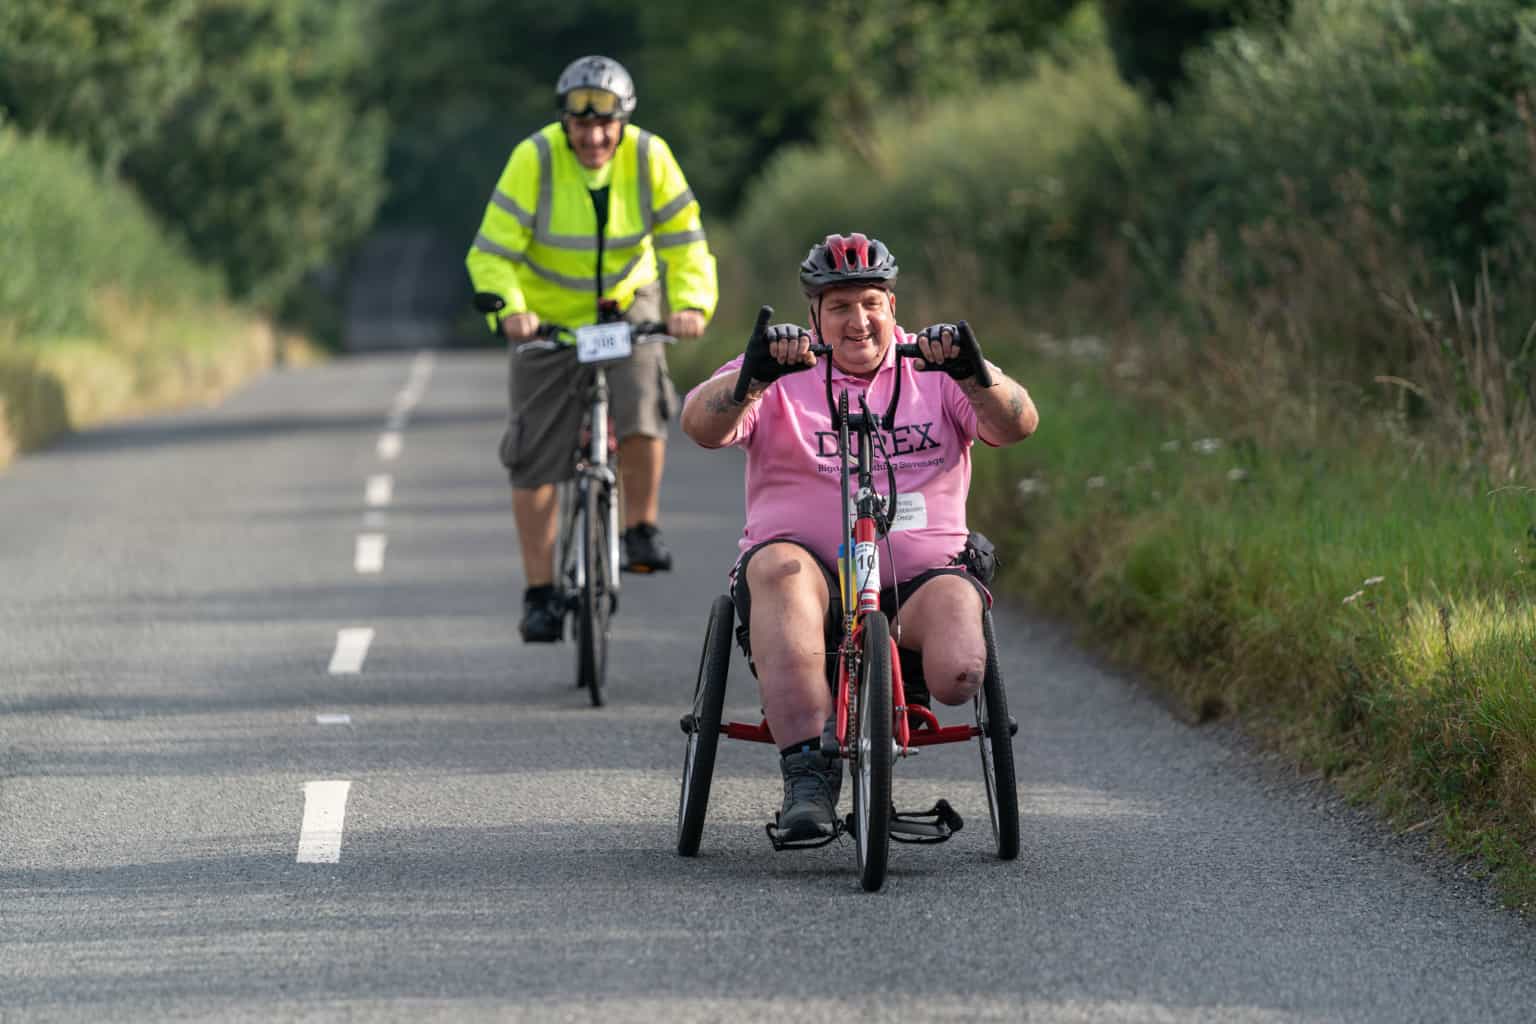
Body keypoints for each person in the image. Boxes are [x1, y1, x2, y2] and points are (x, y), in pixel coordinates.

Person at [680, 233, 1039, 842]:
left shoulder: (935, 363)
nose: (858, 320)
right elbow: (700, 425)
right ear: (814, 314)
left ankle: (905, 684)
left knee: (961, 672)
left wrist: (975, 376)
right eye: (839, 306)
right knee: (782, 575)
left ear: (892, 306)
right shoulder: (782, 366)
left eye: (870, 302)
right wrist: (752, 380)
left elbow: (1018, 422)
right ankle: (807, 774)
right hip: (804, 573)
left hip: (920, 578)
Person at [467, 55, 718, 642]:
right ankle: (541, 594)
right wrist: (509, 310)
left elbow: (685, 242)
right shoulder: (535, 159)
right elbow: (491, 252)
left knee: (643, 401)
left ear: (624, 121)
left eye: (606, 124)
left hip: (627, 305)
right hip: (548, 318)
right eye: (581, 124)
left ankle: (640, 529)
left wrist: (692, 308)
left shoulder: (649, 157)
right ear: (565, 122)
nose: (594, 136)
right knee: (533, 454)